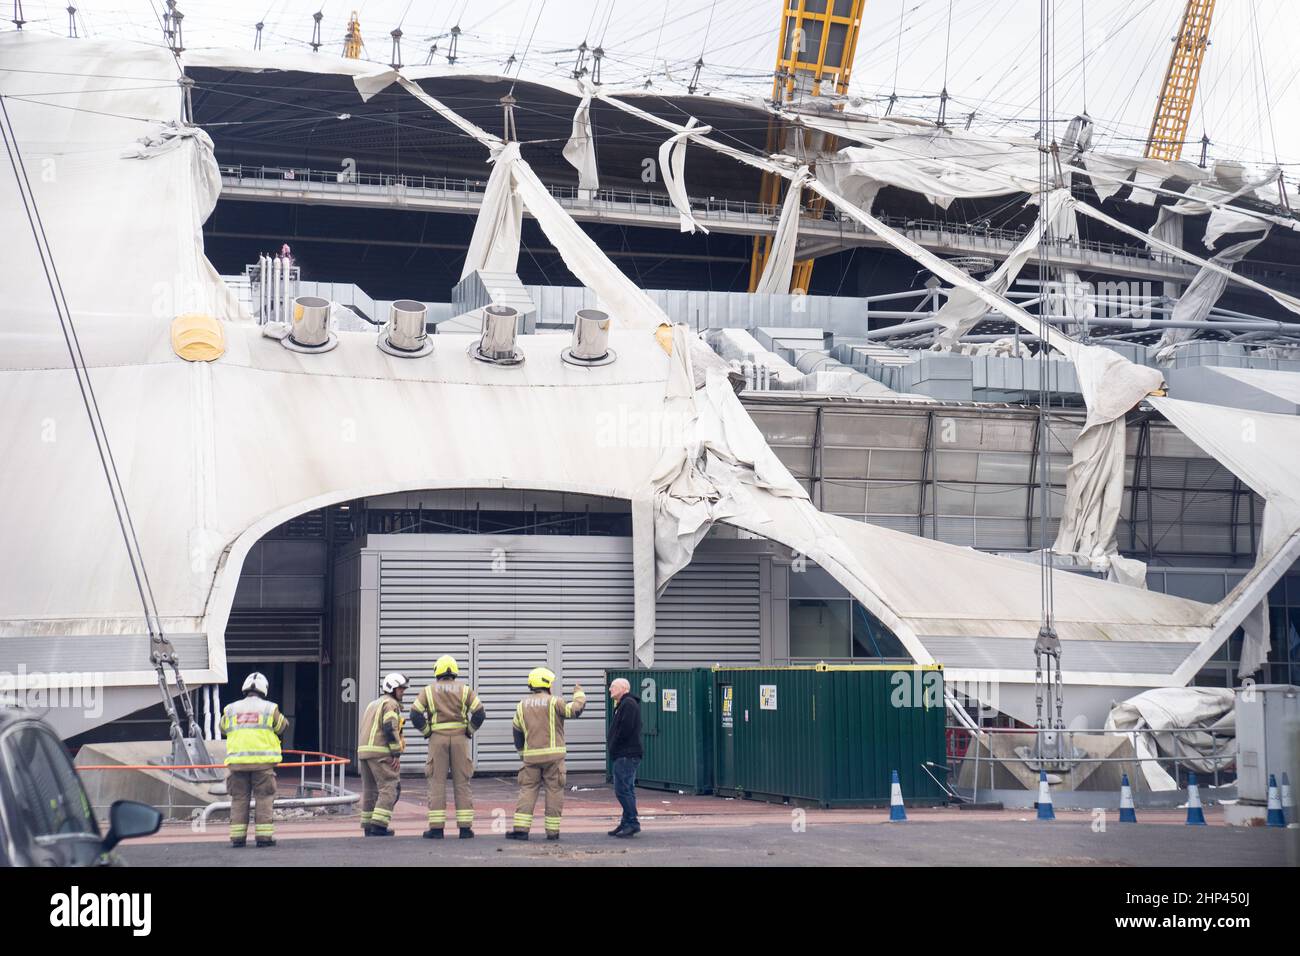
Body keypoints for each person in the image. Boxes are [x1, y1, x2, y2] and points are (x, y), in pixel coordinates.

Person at [409, 655, 485, 839]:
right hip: (460, 739)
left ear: (437, 671)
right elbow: (479, 713)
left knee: (437, 783)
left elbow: (415, 714)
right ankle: (465, 829)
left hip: (438, 740)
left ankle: (436, 829)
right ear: (454, 671)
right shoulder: (465, 690)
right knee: (462, 783)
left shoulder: (428, 690)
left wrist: (428, 732)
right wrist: (468, 731)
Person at [507, 667, 585, 841]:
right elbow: (575, 710)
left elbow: (516, 731)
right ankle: (552, 832)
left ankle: (521, 830)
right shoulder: (554, 702)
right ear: (546, 684)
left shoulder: (522, 705)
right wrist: (579, 695)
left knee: (527, 790)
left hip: (531, 757)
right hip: (553, 758)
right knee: (554, 790)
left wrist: (522, 753)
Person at [220, 672, 289, 848]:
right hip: (262, 764)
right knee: (264, 798)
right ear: (264, 689)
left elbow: (223, 728)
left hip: (237, 764)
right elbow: (282, 727)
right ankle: (264, 838)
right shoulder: (270, 708)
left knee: (239, 799)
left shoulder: (230, 709)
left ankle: (237, 838)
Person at [358, 672, 408, 837]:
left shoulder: (373, 704)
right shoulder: (391, 704)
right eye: (401, 689)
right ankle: (379, 826)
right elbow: (389, 727)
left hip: (364, 752)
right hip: (380, 752)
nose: (403, 692)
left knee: (370, 790)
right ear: (392, 689)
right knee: (389, 786)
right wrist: (396, 753)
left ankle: (368, 825)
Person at [606, 677, 642, 838]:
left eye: (613, 687)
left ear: (623, 688)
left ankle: (632, 823)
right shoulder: (624, 704)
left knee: (622, 790)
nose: (610, 690)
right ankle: (626, 822)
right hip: (626, 753)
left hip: (626, 754)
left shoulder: (628, 704)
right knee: (628, 789)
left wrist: (615, 745)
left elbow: (625, 729)